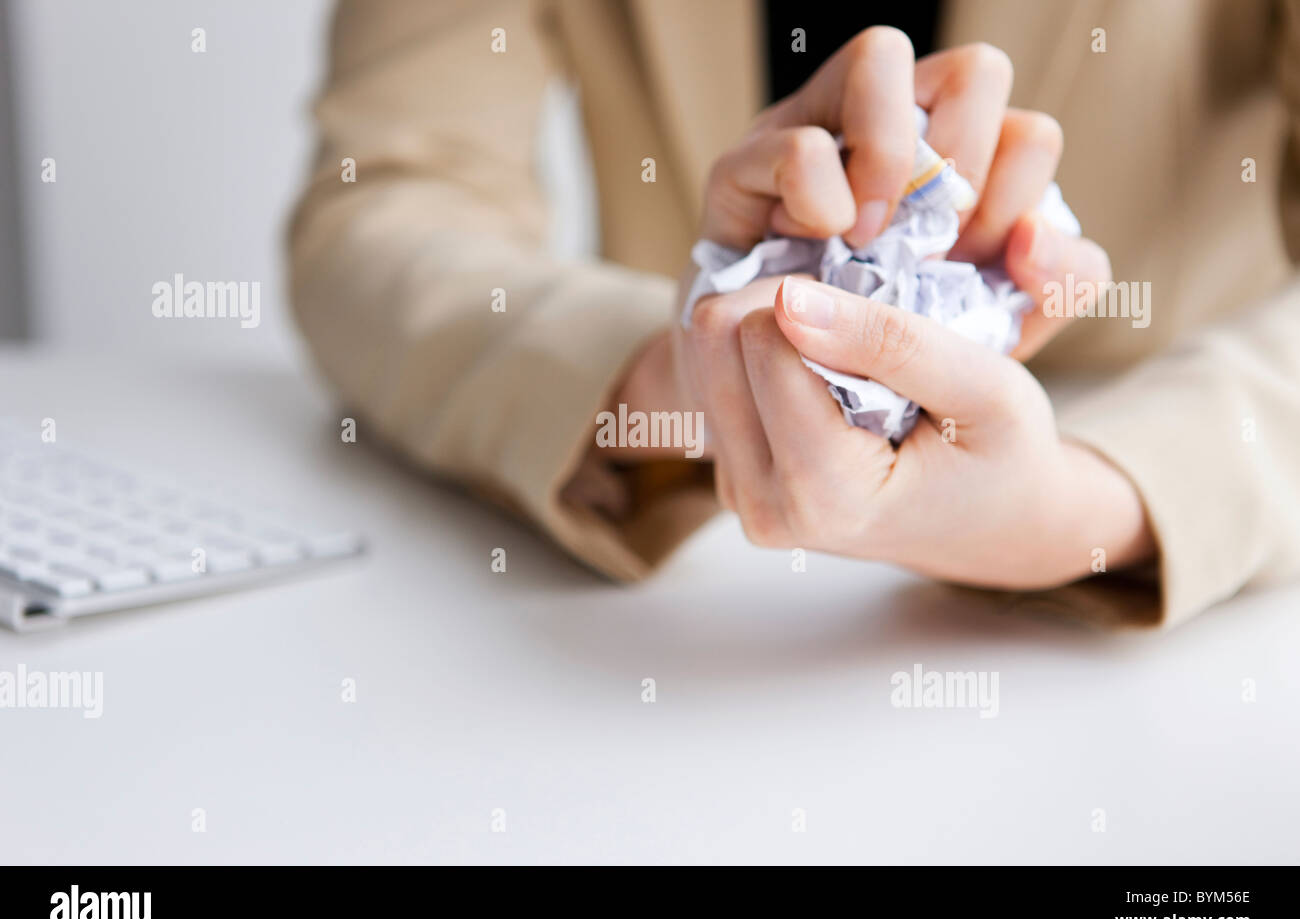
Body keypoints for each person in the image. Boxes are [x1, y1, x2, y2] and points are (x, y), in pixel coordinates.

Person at [287, 0, 1300, 628]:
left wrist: (1096, 502)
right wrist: (671, 376)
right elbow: (384, 199)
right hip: (691, 590)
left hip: (1204, 609)